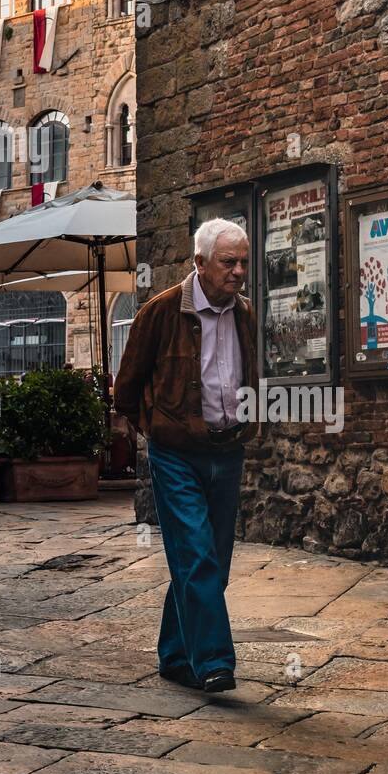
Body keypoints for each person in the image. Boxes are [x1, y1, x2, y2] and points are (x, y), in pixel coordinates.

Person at [113, 218, 259, 694]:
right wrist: (158, 430)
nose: (238, 271)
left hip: (227, 449)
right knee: (196, 555)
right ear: (199, 263)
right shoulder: (159, 313)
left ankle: (176, 655)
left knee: (212, 558)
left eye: (242, 261)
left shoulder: (246, 314)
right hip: (175, 453)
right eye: (228, 262)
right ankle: (214, 661)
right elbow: (127, 389)